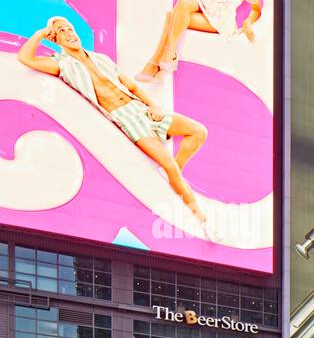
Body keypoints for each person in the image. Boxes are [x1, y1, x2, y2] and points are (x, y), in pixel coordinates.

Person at [17, 18, 212, 231]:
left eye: (70, 29)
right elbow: (25, 58)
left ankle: (174, 179)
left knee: (198, 131)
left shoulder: (101, 59)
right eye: (62, 31)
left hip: (141, 109)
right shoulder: (61, 64)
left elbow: (132, 86)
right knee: (169, 165)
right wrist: (42, 32)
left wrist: (154, 107)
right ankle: (200, 217)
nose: (70, 33)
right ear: (55, 39)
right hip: (125, 118)